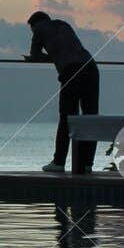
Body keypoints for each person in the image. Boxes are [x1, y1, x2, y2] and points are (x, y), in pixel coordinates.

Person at [24, 11, 100, 173]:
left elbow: (35, 55)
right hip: (90, 67)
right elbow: (67, 50)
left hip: (71, 71)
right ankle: (87, 164)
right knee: (90, 116)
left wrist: (39, 58)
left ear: (34, 24)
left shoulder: (39, 29)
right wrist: (56, 57)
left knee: (67, 117)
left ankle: (59, 162)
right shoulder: (64, 25)